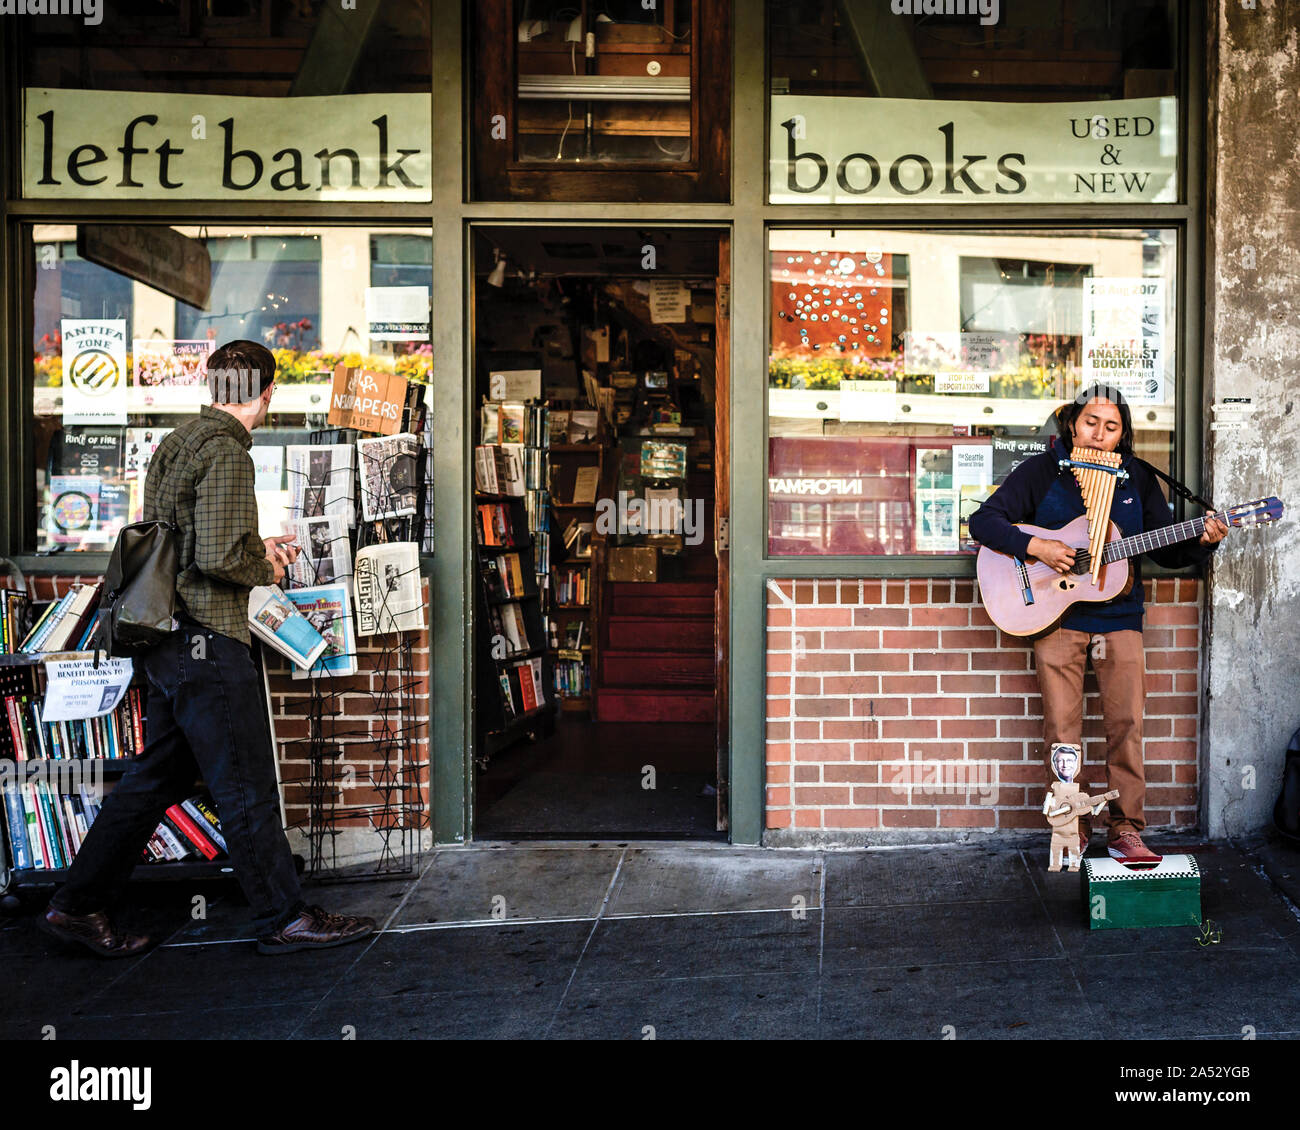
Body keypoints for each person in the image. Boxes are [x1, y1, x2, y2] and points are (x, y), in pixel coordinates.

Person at [42, 340, 376, 957]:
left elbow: (182, 539)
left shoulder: (178, 441)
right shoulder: (227, 452)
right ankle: (284, 917)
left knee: (155, 776)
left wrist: (251, 545)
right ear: (267, 394)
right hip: (207, 639)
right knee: (246, 785)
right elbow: (219, 557)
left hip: (167, 638)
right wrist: (268, 564)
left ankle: (77, 905)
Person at [968, 384, 1228, 866]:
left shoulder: (1136, 479)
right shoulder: (1042, 471)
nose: (1100, 434)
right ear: (1072, 423)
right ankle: (1072, 822)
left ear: (1122, 433)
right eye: (1091, 422)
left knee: (1126, 723)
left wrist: (1204, 540)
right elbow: (983, 523)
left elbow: (1165, 549)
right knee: (1062, 728)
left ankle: (1126, 827)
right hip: (1055, 617)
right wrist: (1037, 548)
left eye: (1112, 427)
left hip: (1119, 616)